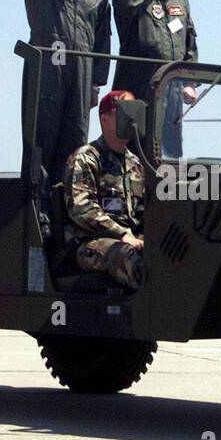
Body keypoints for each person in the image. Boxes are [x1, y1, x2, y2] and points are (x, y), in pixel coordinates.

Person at [0, 0, 112, 201]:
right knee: (40, 145)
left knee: (75, 147)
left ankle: (67, 215)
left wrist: (96, 83)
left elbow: (103, 37)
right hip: (46, 70)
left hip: (80, 76)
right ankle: (35, 219)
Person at [112, 0, 199, 156]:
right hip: (137, 92)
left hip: (171, 95)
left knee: (169, 159)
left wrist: (190, 82)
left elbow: (189, 43)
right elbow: (125, 4)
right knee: (135, 156)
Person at [62, 89, 145, 290]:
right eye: (124, 113)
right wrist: (121, 234)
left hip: (129, 239)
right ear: (105, 120)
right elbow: (82, 208)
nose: (130, 119)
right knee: (128, 258)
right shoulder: (86, 158)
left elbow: (143, 210)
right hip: (89, 243)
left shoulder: (136, 164)